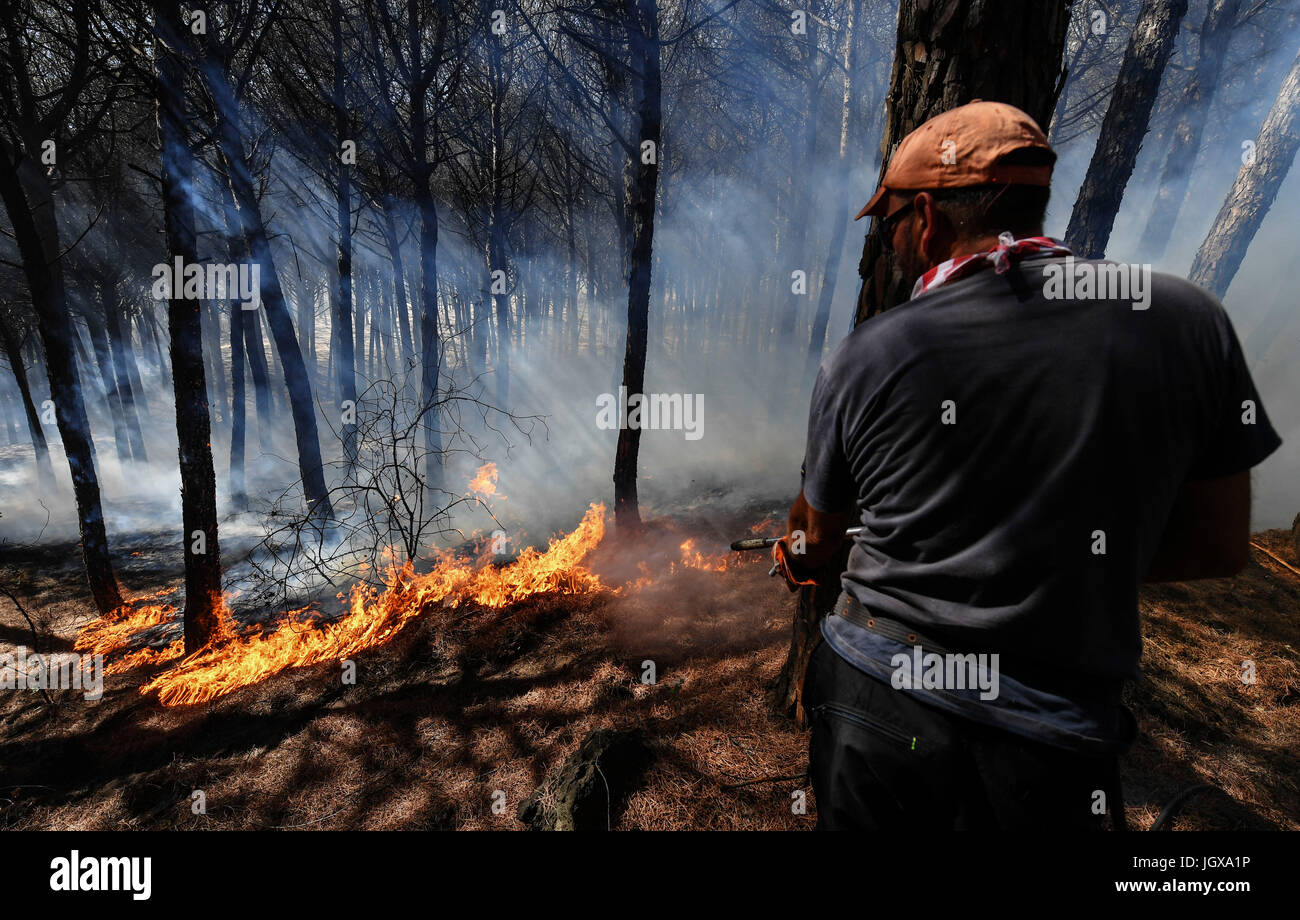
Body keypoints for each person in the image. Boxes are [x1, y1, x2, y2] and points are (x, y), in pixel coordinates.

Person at [772, 100, 1282, 830]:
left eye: (892, 228)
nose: (891, 247)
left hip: (883, 698)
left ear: (928, 217)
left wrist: (809, 556)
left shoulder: (870, 354)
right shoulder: (1187, 320)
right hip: (1053, 733)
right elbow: (1219, 548)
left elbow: (819, 541)